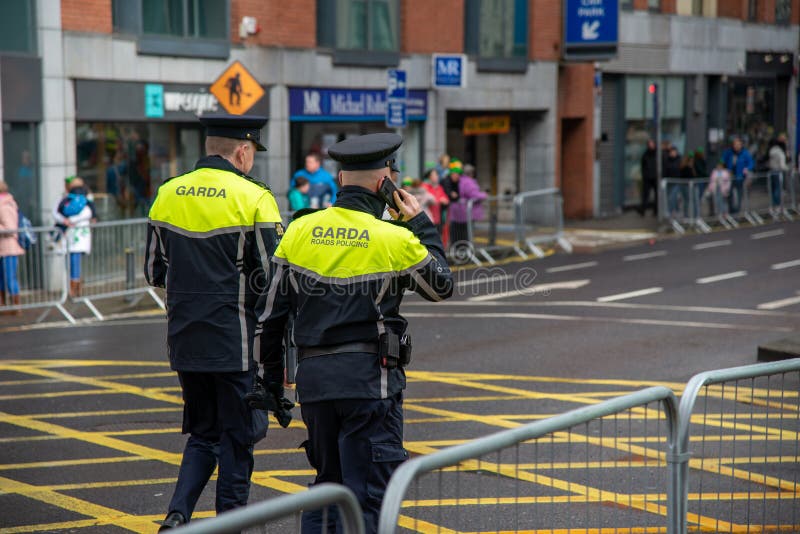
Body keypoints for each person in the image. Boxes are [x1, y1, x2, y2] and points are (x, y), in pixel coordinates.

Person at [256, 133, 453, 533]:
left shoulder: (300, 231)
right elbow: (441, 285)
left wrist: (271, 385)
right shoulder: (395, 239)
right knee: (369, 497)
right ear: (386, 184)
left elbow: (270, 317)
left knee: (327, 489)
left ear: (341, 179)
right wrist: (418, 221)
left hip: (314, 384)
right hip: (369, 383)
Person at [144, 114, 285, 530]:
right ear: (243, 151)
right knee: (238, 440)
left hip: (185, 342)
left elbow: (154, 271)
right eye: (253, 153)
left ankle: (176, 516)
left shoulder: (167, 193)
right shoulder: (254, 197)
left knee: (204, 434)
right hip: (236, 343)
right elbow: (272, 277)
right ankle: (228, 524)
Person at [52, 177, 96, 297]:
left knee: (73, 261)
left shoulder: (73, 198)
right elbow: (90, 213)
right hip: (73, 235)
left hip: (75, 235)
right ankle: (74, 287)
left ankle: (74, 287)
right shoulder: (79, 198)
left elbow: (56, 212)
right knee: (72, 261)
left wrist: (68, 220)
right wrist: (68, 220)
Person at [447, 163, 487, 252]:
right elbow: (474, 195)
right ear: (472, 173)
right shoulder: (468, 182)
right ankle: (464, 254)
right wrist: (484, 195)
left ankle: (456, 253)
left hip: (456, 212)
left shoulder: (459, 180)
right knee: (465, 234)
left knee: (457, 234)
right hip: (464, 213)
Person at [0, 180, 25, 315]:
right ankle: (3, 305)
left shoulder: (5, 206)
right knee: (1, 279)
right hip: (2, 248)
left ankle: (16, 306)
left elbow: (10, 228)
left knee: (10, 278)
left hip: (9, 247)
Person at [721, 137, 754, 215]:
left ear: (741, 145)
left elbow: (751, 163)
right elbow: (722, 161)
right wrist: (724, 169)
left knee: (739, 194)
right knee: (729, 195)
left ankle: (736, 212)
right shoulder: (729, 152)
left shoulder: (745, 153)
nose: (736, 146)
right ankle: (731, 211)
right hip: (730, 177)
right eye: (735, 144)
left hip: (740, 177)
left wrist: (747, 169)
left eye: (738, 144)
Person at [422, 167, 450, 234]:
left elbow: (446, 199)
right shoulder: (424, 187)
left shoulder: (439, 187)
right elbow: (426, 199)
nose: (436, 177)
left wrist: (444, 200)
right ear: (429, 177)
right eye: (433, 175)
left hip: (438, 218)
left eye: (436, 175)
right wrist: (439, 200)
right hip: (427, 218)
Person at [767, 133, 789, 214]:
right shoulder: (780, 152)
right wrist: (788, 169)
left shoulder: (771, 151)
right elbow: (782, 165)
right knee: (778, 189)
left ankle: (773, 206)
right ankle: (777, 206)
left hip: (772, 170)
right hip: (778, 171)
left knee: (773, 189)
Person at [639, 139, 658, 216]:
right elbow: (643, 166)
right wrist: (645, 175)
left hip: (655, 177)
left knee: (657, 195)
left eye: (652, 144)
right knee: (645, 194)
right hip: (647, 177)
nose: (651, 145)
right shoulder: (645, 155)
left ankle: (656, 211)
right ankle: (643, 210)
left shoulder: (657, 154)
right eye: (649, 144)